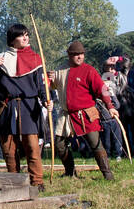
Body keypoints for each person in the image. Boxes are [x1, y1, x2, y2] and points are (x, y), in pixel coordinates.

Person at [0, 24, 49, 188]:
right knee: (9, 149)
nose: (25, 38)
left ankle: (37, 182)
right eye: (21, 35)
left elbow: (41, 84)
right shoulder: (2, 58)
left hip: (29, 106)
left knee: (32, 147)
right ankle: (15, 182)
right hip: (8, 106)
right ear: (13, 40)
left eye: (27, 34)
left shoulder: (35, 58)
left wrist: (46, 99)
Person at [48, 40, 118, 180]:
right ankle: (70, 172)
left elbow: (103, 90)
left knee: (95, 143)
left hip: (86, 114)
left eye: (81, 54)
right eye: (76, 54)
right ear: (69, 55)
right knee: (59, 144)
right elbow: (55, 87)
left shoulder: (89, 70)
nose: (79, 57)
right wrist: (51, 79)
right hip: (67, 115)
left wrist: (110, 107)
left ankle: (107, 174)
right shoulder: (61, 70)